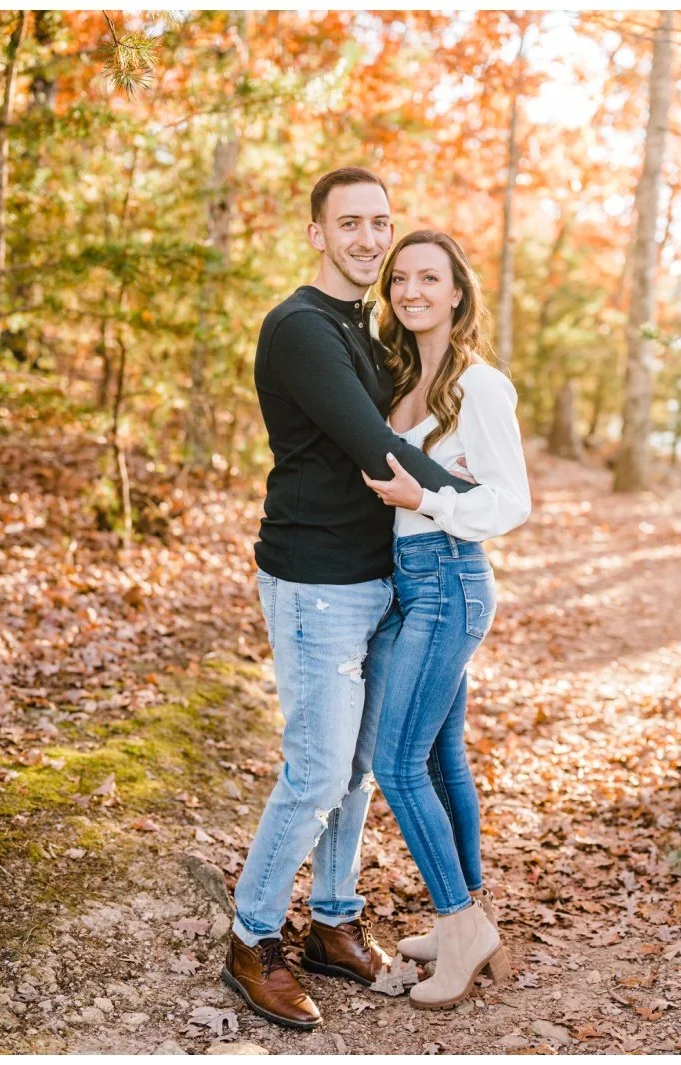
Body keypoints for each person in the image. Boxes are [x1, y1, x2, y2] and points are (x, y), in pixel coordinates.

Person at [223, 168, 480, 1031]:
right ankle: (252, 936)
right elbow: (376, 449)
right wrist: (475, 498)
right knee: (318, 771)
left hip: (379, 581)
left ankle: (334, 920)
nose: (370, 240)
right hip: (314, 582)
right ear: (317, 234)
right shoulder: (300, 327)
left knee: (362, 768)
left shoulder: (363, 328)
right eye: (351, 224)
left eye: (381, 223)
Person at [360, 230, 531, 1010]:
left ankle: (462, 928)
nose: (412, 291)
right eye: (401, 278)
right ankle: (469, 913)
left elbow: (510, 502)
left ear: (457, 291)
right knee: (436, 758)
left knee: (396, 764)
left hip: (449, 582)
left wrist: (426, 498)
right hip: (410, 580)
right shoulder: (398, 377)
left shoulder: (479, 385)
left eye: (429, 277)